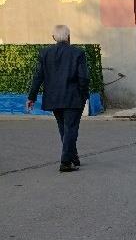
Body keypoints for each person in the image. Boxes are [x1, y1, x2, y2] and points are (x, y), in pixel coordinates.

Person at [26, 25, 90, 172]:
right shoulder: (78, 53)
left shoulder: (45, 53)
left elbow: (38, 77)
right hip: (73, 98)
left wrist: (31, 97)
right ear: (69, 37)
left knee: (64, 129)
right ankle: (66, 162)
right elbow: (83, 77)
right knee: (71, 129)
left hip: (54, 98)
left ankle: (73, 157)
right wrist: (84, 94)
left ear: (53, 37)